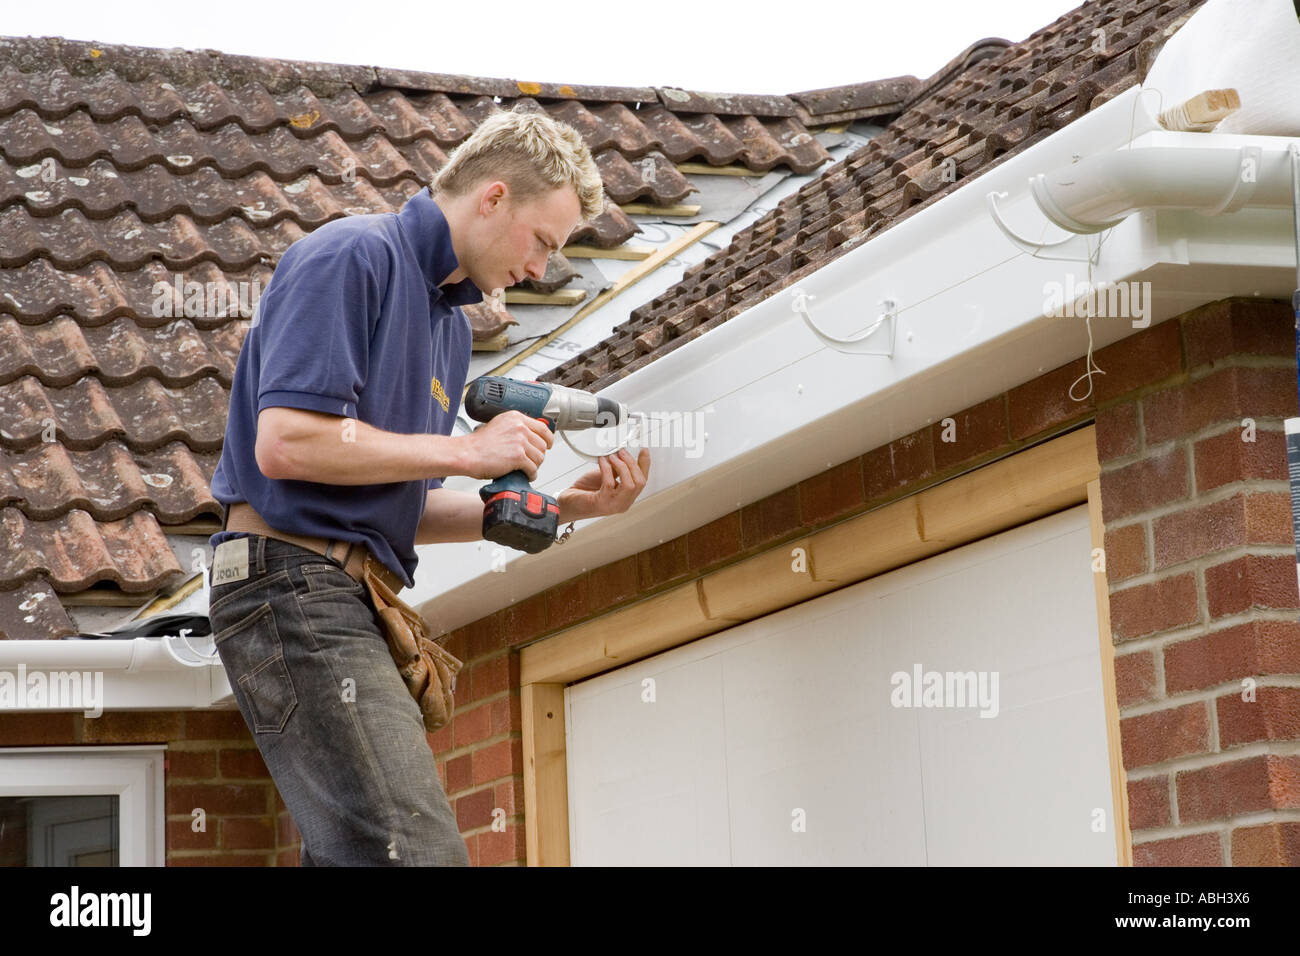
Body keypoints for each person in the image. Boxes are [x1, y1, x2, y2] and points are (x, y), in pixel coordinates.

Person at [205, 108, 651, 866]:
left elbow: (400, 506)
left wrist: (562, 508)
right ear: (493, 197)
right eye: (542, 240)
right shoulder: (352, 257)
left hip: (348, 591)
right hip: (291, 583)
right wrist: (471, 449)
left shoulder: (448, 328)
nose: (542, 267)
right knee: (412, 852)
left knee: (367, 851)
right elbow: (286, 443)